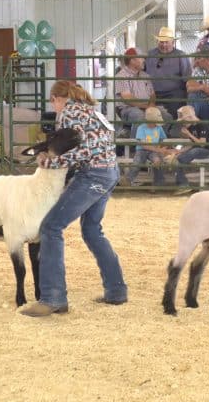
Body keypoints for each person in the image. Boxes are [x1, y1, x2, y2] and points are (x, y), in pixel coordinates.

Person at [20, 80, 128, 316]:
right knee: (92, 230)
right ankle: (116, 291)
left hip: (93, 175)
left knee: (51, 227)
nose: (54, 107)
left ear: (56, 99)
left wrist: (50, 163)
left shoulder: (68, 113)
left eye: (53, 102)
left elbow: (82, 150)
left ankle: (53, 298)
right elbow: (99, 145)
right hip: (109, 172)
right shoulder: (93, 111)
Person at [114, 48, 168, 139]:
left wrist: (151, 105)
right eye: (141, 58)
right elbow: (127, 98)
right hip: (128, 108)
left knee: (166, 116)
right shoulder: (121, 76)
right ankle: (136, 145)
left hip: (147, 106)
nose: (144, 60)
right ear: (132, 60)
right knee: (140, 117)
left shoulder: (145, 75)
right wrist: (148, 107)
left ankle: (157, 142)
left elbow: (152, 95)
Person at [146, 27, 192, 119]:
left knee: (174, 110)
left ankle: (172, 126)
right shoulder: (150, 54)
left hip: (174, 93)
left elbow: (187, 77)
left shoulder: (181, 55)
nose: (164, 45)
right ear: (157, 42)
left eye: (166, 42)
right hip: (152, 92)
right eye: (161, 42)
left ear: (173, 42)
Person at [165, 105, 209, 187]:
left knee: (191, 153)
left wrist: (189, 134)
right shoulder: (191, 127)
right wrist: (179, 151)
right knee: (182, 156)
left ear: (189, 118)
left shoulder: (202, 124)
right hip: (195, 150)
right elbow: (192, 144)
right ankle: (183, 184)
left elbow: (202, 144)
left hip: (207, 151)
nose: (183, 123)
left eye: (184, 121)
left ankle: (177, 162)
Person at [124, 106, 168, 187]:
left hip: (154, 150)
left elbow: (163, 139)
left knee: (158, 161)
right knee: (137, 163)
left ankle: (158, 183)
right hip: (141, 150)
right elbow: (143, 145)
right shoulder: (141, 128)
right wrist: (158, 150)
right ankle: (128, 180)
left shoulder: (159, 128)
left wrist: (162, 147)